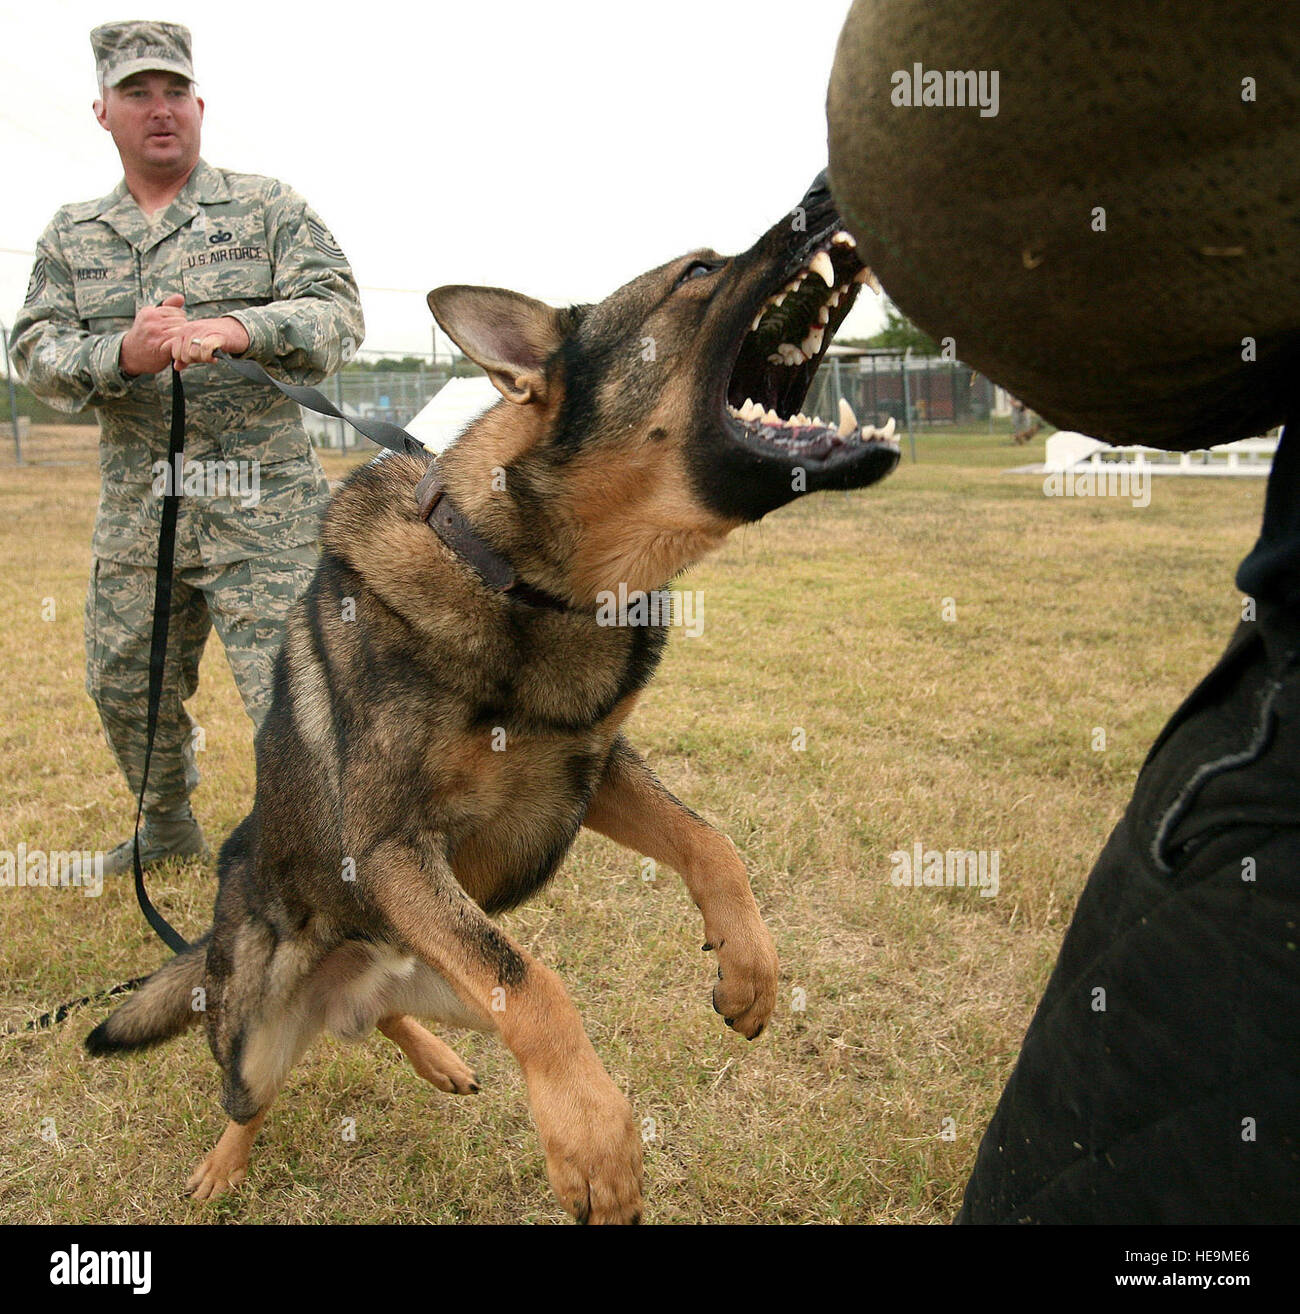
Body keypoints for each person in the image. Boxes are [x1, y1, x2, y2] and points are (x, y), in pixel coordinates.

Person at [10, 21, 364, 874]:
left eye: (174, 91)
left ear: (200, 105)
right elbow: (32, 351)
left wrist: (246, 327)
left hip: (265, 509)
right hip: (142, 511)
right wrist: (118, 356)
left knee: (296, 692)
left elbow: (339, 313)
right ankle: (165, 826)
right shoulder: (72, 235)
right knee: (125, 684)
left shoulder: (266, 207)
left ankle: (332, 857)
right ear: (103, 112)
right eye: (137, 93)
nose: (158, 109)